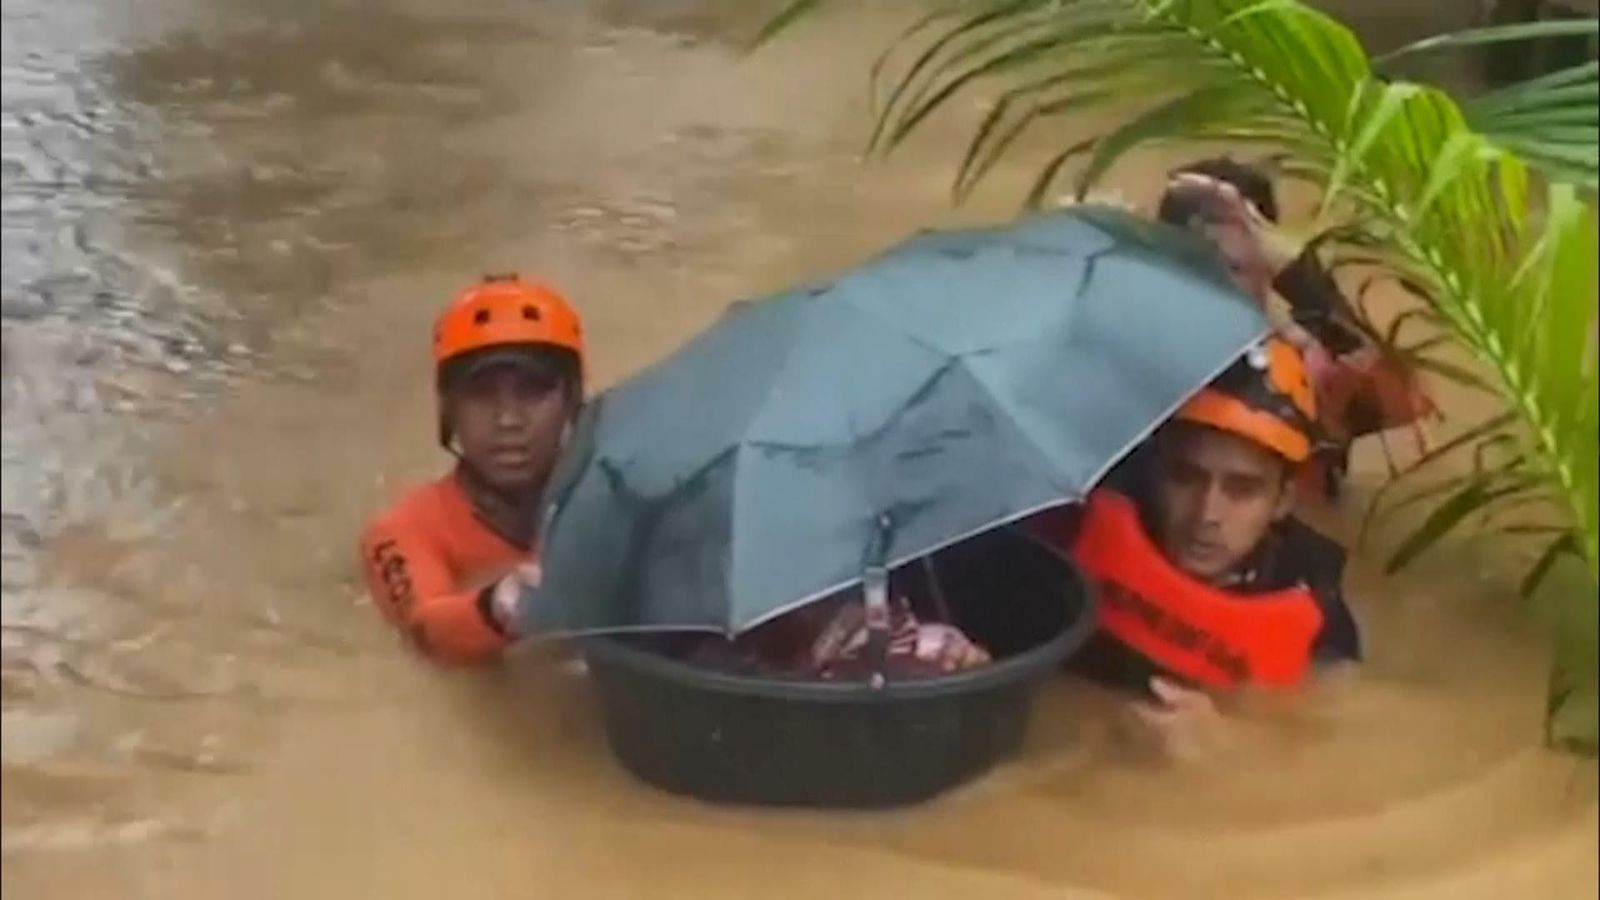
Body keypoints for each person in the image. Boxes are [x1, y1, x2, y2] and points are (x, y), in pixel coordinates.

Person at [1030, 336, 1361, 757]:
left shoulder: (1317, 610)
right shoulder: (1074, 533)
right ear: (1154, 470)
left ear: (1283, 502)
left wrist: (1227, 743)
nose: (1207, 513)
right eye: (1186, 477)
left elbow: (1335, 744)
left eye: (1242, 490)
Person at [1157, 157, 1435, 500]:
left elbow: (1408, 402)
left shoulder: (1304, 367)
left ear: (1266, 269)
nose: (1213, 286)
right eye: (1192, 266)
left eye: (1233, 267)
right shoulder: (1126, 347)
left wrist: (1300, 275)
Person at [358, 273, 583, 665]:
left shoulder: (620, 497)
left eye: (532, 390)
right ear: (449, 410)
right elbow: (427, 632)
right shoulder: (404, 528)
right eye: (480, 394)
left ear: (571, 401)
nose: (509, 420)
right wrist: (497, 606)